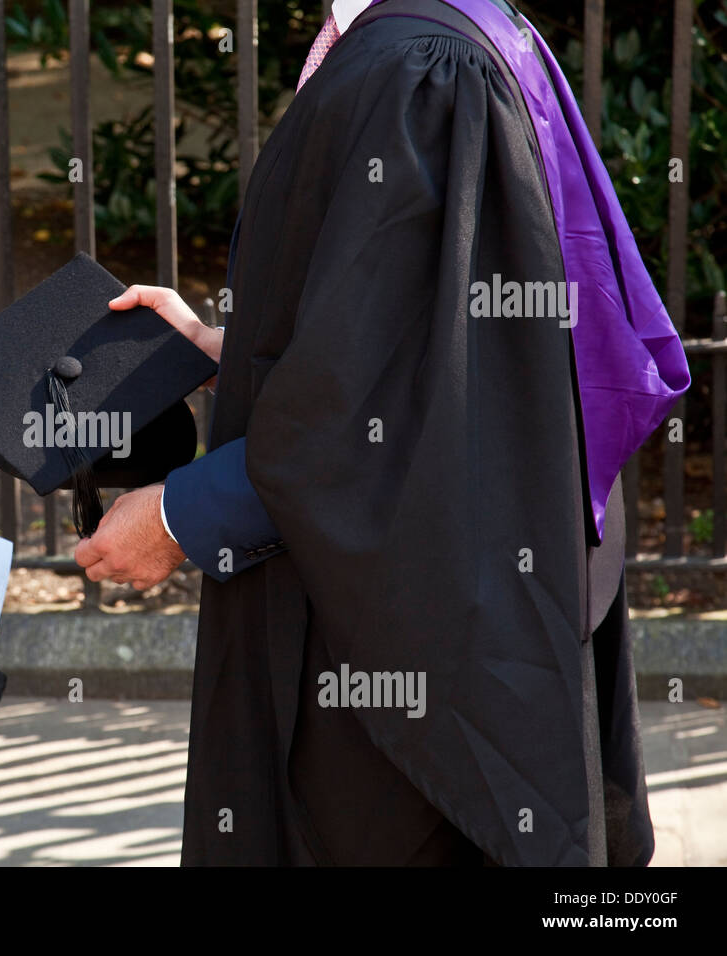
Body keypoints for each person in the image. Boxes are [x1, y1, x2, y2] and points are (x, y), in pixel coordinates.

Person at [76, 0, 690, 865]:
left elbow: (387, 401)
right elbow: (427, 344)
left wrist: (182, 514)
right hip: (487, 577)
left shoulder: (417, 69)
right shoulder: (476, 31)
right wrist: (232, 352)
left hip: (403, 656)